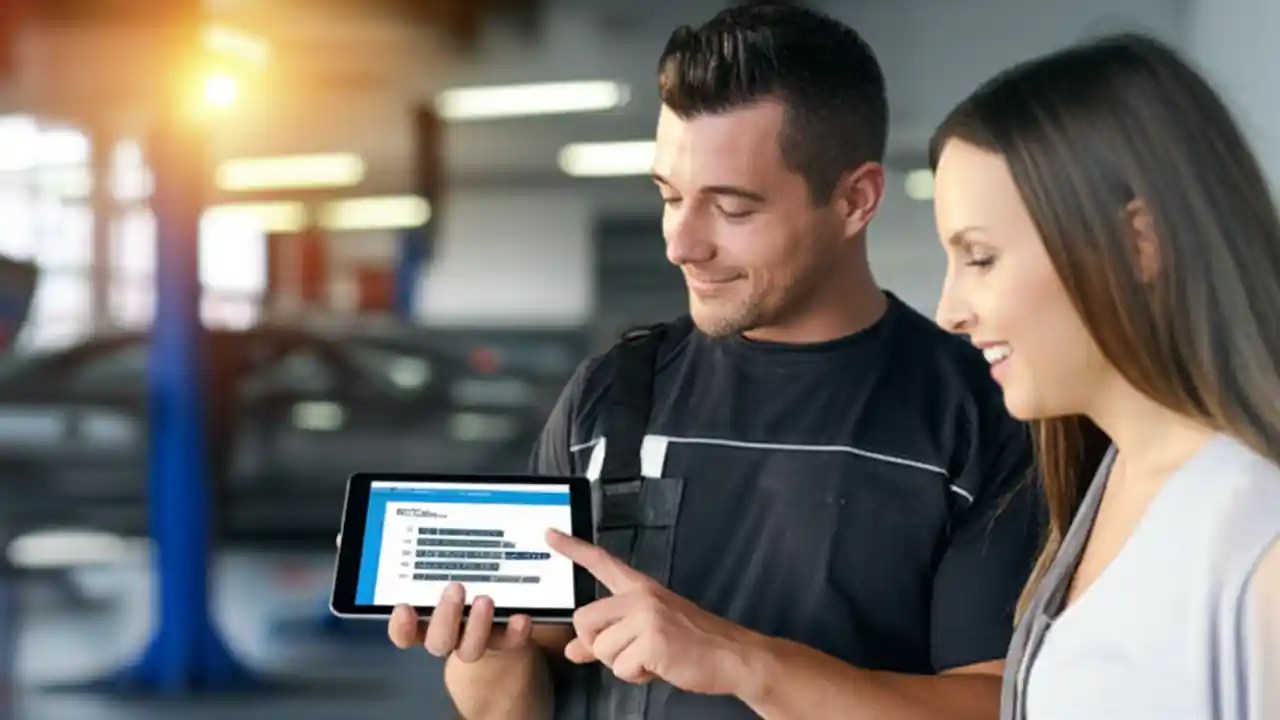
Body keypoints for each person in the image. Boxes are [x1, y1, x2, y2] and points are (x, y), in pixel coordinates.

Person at [390, 6, 1041, 718]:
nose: (681, 244)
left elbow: (993, 705)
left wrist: (739, 662)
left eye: (731, 210)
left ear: (856, 199)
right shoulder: (608, 397)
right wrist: (488, 659)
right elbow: (516, 701)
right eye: (670, 197)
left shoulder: (985, 411)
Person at [930, 34, 1280, 720]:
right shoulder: (1111, 482)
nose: (949, 312)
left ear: (1137, 244)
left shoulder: (1253, 530)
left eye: (980, 257)